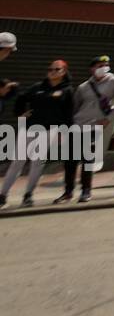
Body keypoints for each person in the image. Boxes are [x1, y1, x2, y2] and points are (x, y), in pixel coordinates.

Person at [1, 60, 73, 209]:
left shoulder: (67, 90)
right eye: (50, 69)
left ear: (64, 72)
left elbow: (69, 113)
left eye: (56, 69)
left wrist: (64, 132)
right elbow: (21, 98)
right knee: (17, 162)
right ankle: (3, 196)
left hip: (49, 131)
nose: (52, 71)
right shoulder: (37, 87)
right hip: (29, 128)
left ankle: (28, 195)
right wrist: (20, 114)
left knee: (37, 163)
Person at [67, 55, 114, 203]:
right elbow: (75, 107)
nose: (103, 68)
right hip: (77, 125)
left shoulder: (113, 81)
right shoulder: (84, 86)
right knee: (71, 160)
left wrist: (109, 118)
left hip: (94, 126)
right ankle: (68, 191)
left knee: (88, 159)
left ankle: (86, 191)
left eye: (106, 65)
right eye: (99, 65)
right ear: (92, 68)